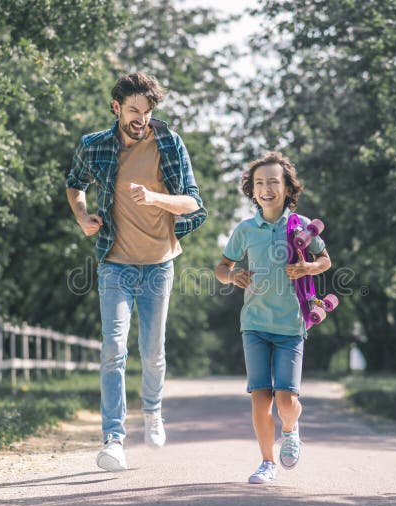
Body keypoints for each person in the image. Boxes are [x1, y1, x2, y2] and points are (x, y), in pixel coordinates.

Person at [66, 73, 207, 472]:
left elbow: (193, 203)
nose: (140, 119)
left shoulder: (168, 142)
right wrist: (81, 216)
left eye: (146, 112)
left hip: (159, 264)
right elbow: (74, 185)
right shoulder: (94, 146)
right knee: (113, 348)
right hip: (115, 263)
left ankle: (153, 413)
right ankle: (113, 439)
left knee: (153, 353)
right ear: (116, 107)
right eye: (133, 111)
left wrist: (155, 198)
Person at [215, 152, 331, 484]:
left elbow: (325, 260)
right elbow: (221, 268)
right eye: (260, 183)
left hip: (291, 324)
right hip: (253, 324)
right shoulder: (246, 229)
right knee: (261, 396)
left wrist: (307, 267)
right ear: (252, 190)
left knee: (286, 400)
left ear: (287, 187)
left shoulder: (302, 227)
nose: (266, 188)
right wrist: (231, 276)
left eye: (273, 182)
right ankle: (267, 462)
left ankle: (291, 429)